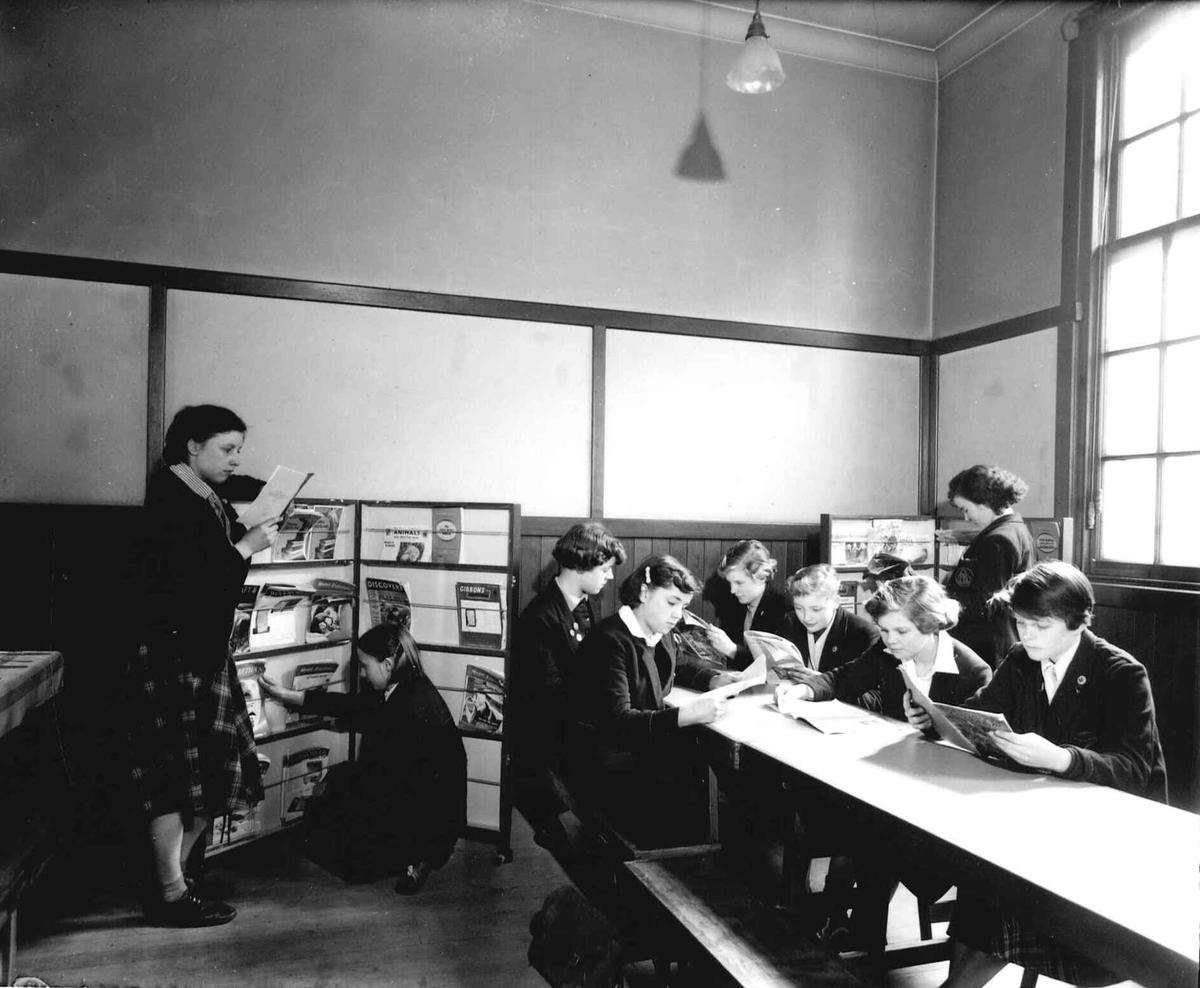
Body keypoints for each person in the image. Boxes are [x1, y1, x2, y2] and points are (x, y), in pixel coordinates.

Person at [905, 562, 1167, 988]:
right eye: (1020, 623)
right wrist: (933, 719)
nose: (1025, 634)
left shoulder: (1121, 673)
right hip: (1040, 821)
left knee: (999, 883)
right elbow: (980, 711)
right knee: (986, 873)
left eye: (1039, 625)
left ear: (1078, 621)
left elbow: (1135, 770)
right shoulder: (1022, 660)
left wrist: (1062, 758)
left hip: (1108, 839)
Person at [777, 575, 992, 957]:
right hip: (895, 780)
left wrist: (931, 730)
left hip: (943, 798)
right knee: (856, 817)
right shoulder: (888, 651)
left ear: (930, 625)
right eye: (883, 630)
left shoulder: (973, 671)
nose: (889, 639)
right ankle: (853, 925)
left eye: (899, 631)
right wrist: (804, 690)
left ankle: (851, 923)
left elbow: (976, 748)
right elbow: (843, 678)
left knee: (867, 829)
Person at [130, 404, 280, 926]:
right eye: (227, 449)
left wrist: (248, 527)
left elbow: (206, 556)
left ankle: (177, 881)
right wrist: (244, 547)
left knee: (207, 773)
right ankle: (169, 892)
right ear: (192, 447)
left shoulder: (196, 493)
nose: (236, 459)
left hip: (197, 653)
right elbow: (191, 585)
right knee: (177, 778)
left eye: (239, 448)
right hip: (177, 655)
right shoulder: (173, 497)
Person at [260, 624, 467, 894]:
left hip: (424, 819)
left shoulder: (408, 706)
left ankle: (414, 859)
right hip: (429, 812)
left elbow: (385, 780)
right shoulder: (407, 687)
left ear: (388, 664)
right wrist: (288, 695)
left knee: (337, 841)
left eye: (365, 665)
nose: (361, 673)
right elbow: (349, 705)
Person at [568, 554, 728, 847]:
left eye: (683, 606)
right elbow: (618, 722)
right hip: (609, 760)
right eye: (671, 602)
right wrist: (686, 715)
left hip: (641, 747)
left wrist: (714, 678)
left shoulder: (657, 630)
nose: (678, 614)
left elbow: (678, 664)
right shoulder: (610, 640)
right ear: (643, 592)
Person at [511, 522, 626, 857]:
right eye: (605, 570)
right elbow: (549, 695)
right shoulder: (541, 617)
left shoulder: (582, 603)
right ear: (579, 567)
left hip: (575, 725)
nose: (609, 577)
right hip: (549, 740)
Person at [944, 464, 1035, 667]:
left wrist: (940, 598)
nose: (966, 518)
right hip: (997, 638)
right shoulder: (1015, 528)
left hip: (985, 645)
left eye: (966, 509)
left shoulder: (997, 540)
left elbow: (985, 602)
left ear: (984, 503)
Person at [704, 539, 790, 670]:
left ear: (761, 576)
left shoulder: (783, 609)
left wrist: (732, 650)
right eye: (730, 583)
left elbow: (776, 667)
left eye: (739, 583)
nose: (733, 591)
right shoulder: (735, 604)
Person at [780, 564, 878, 674]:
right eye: (798, 608)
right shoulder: (790, 622)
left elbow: (873, 689)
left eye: (816, 609)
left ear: (836, 602)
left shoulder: (863, 634)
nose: (806, 617)